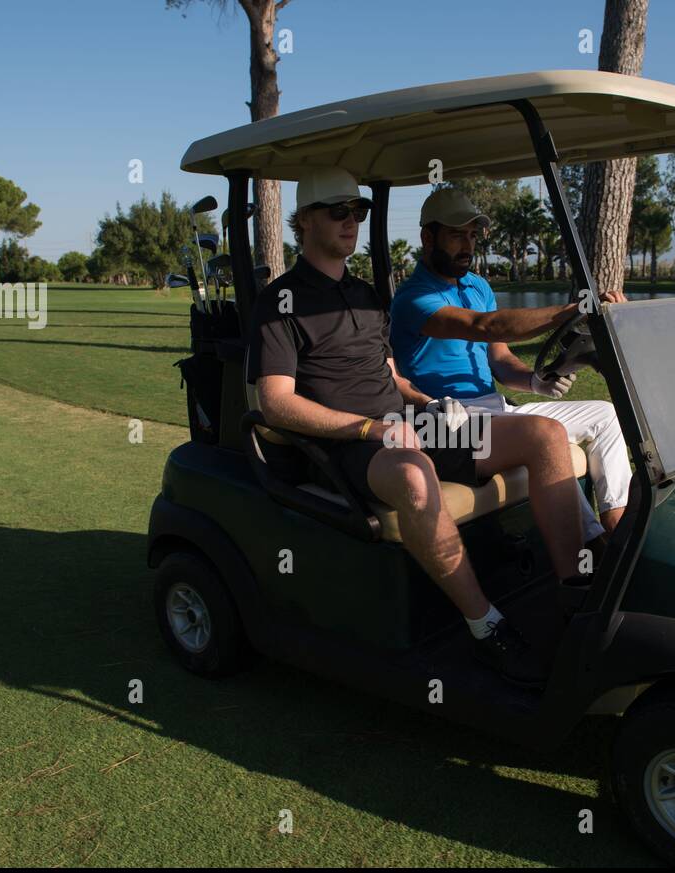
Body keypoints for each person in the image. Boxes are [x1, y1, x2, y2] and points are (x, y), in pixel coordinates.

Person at [248, 167, 584, 687]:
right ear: (304, 222)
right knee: (412, 475)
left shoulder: (364, 295)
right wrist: (367, 430)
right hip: (349, 444)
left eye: (356, 212)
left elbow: (391, 377)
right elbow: (274, 403)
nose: (350, 222)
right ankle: (486, 627)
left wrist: (431, 402)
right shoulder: (281, 301)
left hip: (408, 426)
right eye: (337, 212)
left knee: (544, 435)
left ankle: (573, 594)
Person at [390, 188, 632, 545]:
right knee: (543, 437)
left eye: (472, 235)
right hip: (446, 420)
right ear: (428, 237)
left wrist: (535, 382)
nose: (467, 245)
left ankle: (620, 531)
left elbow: (500, 360)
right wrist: (570, 311)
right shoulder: (413, 297)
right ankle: (592, 546)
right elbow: (484, 326)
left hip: (494, 409)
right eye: (457, 235)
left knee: (606, 415)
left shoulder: (477, 286)